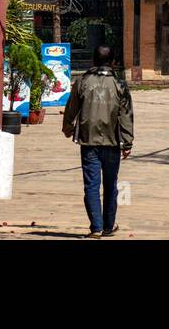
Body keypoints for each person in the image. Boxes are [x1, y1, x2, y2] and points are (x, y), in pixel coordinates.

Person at [61, 45, 133, 238]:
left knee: (91, 185)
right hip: (112, 142)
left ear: (93, 61)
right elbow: (126, 116)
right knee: (111, 184)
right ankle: (108, 226)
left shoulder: (82, 82)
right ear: (113, 62)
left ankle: (96, 227)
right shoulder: (120, 85)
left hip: (88, 142)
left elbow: (71, 108)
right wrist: (127, 142)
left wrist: (68, 128)